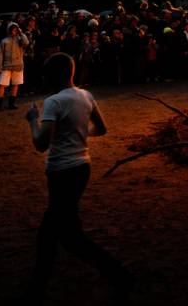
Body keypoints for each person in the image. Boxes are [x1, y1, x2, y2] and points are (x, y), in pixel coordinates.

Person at [22, 53, 133, 303]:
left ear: (52, 75)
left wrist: (32, 121)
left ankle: (119, 275)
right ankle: (37, 287)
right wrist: (78, 134)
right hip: (82, 166)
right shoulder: (85, 95)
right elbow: (101, 129)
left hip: (62, 170)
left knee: (67, 235)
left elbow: (41, 144)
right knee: (53, 232)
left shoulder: (53, 102)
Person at [0, 22, 29, 110]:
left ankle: (11, 104)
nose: (14, 30)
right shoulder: (4, 41)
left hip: (18, 65)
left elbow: (26, 43)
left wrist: (21, 33)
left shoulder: (20, 39)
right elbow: (0, 54)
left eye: (16, 29)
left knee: (15, 84)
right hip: (6, 66)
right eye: (13, 29)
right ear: (9, 30)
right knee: (2, 85)